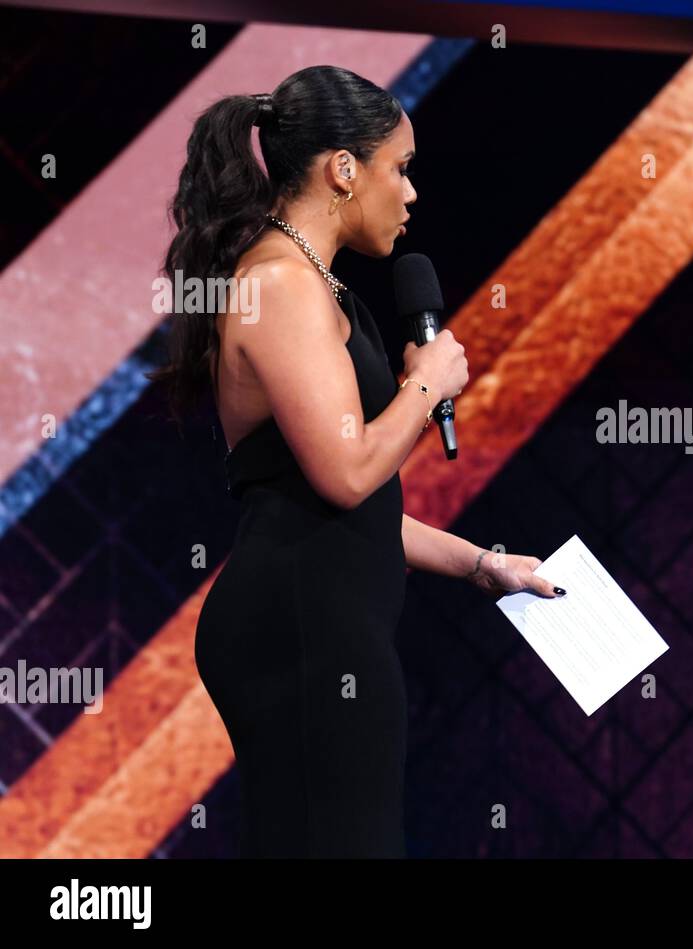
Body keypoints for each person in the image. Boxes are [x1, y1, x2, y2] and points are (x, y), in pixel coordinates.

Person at [148, 65, 563, 857]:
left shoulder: (312, 285)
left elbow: (350, 504)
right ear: (345, 168)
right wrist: (423, 386)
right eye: (399, 169)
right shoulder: (281, 285)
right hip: (301, 628)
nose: (411, 194)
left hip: (322, 618)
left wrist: (485, 564)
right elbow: (346, 472)